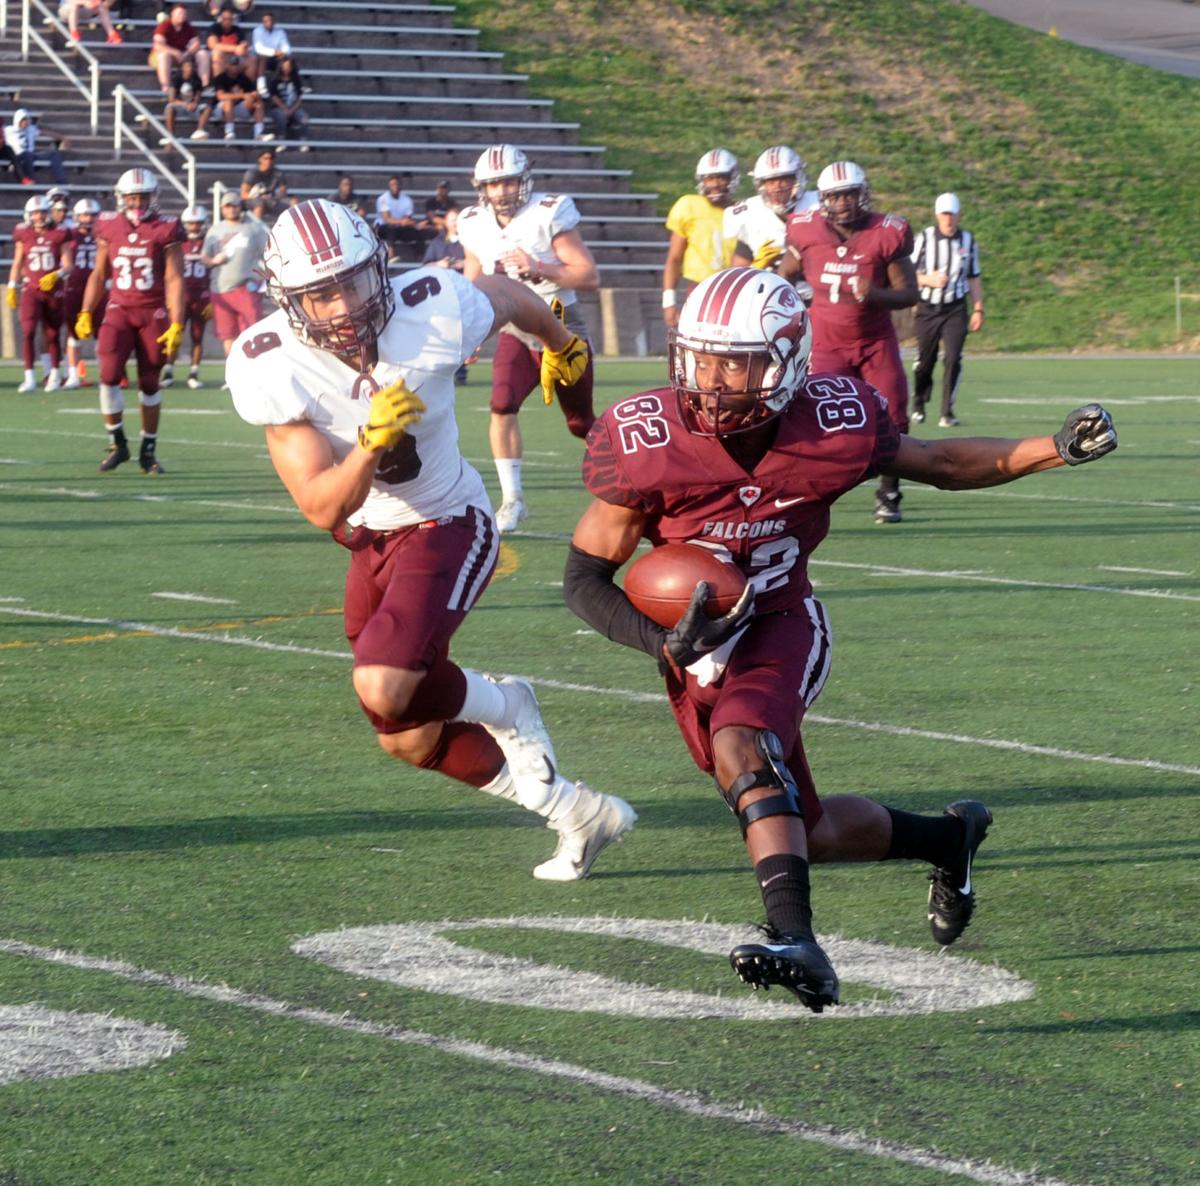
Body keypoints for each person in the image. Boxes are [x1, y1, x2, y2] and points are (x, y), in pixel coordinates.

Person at [564, 265, 1118, 1009]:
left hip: (781, 620)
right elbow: (584, 577)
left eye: (737, 361)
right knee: (807, 830)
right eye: (702, 357)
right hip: (694, 650)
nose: (714, 379)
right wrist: (660, 643)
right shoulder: (648, 441)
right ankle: (949, 840)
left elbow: (944, 463)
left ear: (788, 360)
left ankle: (795, 938)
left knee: (743, 745)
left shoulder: (836, 422)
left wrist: (1054, 447)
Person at [225, 198, 635, 880]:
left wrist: (561, 347)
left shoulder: (433, 303)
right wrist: (367, 444)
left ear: (379, 269)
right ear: (288, 299)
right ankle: (574, 810)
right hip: (369, 539)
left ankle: (507, 703)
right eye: (320, 294)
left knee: (385, 685)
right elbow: (321, 505)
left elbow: (508, 297)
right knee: (408, 737)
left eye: (353, 283)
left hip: (448, 520)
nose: (343, 307)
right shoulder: (270, 361)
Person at [458, 144, 600, 533]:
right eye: (493, 184)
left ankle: (630, 482)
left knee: (580, 422)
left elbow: (588, 276)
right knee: (501, 405)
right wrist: (469, 331)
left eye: (507, 182)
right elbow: (473, 275)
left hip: (559, 325)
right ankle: (513, 500)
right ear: (480, 188)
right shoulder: (472, 221)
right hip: (513, 327)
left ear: (523, 181)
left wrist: (539, 267)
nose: (501, 191)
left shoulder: (548, 212)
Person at [780, 160, 918, 524]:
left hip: (875, 341)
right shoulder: (805, 230)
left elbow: (908, 294)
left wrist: (874, 293)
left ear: (864, 194)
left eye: (850, 194)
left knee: (893, 413)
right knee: (815, 416)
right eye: (836, 196)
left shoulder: (887, 232)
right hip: (826, 341)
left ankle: (889, 492)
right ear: (824, 199)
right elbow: (785, 276)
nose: (844, 203)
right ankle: (811, 492)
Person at [74, 168, 185, 474]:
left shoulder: (167, 227)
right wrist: (86, 310)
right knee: (108, 374)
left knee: (149, 382)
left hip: (152, 311)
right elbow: (99, 274)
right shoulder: (108, 226)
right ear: (122, 198)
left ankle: (148, 452)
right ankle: (118, 443)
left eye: (143, 197)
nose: (137, 203)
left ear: (153, 197)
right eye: (132, 197)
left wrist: (177, 321)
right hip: (118, 308)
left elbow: (174, 278)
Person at [910, 192, 984, 428]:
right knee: (925, 362)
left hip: (955, 308)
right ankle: (919, 402)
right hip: (927, 307)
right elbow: (906, 273)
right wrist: (928, 280)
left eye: (952, 214)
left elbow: (973, 276)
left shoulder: (968, 241)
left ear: (959, 214)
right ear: (937, 215)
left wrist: (978, 308)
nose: (948, 219)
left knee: (953, 358)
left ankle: (947, 412)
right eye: (944, 214)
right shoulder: (924, 239)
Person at [661, 148, 739, 330]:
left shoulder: (743, 210)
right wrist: (668, 301)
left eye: (721, 177)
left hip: (736, 290)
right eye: (709, 178)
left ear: (732, 178)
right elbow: (674, 258)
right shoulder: (689, 205)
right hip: (700, 288)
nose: (715, 184)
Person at [6, 195, 72, 393]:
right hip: (31, 289)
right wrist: (11, 284)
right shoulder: (22, 232)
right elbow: (18, 262)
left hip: (54, 291)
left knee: (52, 334)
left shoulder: (60, 232)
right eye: (36, 213)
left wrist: (57, 274)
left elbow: (69, 265)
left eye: (43, 212)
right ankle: (29, 377)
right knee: (28, 331)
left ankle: (53, 374)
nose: (39, 216)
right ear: (29, 214)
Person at [727, 146, 817, 274]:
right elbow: (737, 273)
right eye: (770, 182)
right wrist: (755, 267)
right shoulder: (750, 214)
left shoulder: (818, 207)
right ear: (761, 185)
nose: (777, 188)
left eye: (783, 180)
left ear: (797, 178)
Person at [202, 192, 269, 363]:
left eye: (235, 205)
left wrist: (265, 279)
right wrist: (212, 260)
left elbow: (268, 254)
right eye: (228, 206)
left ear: (241, 207)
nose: (232, 209)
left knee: (252, 332)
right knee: (228, 335)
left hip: (246, 287)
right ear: (222, 209)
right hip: (220, 290)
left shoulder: (253, 229)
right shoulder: (216, 230)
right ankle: (233, 373)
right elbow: (205, 259)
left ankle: (254, 370)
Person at [62, 196, 103, 389]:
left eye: (92, 215)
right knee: (73, 334)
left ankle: (106, 372)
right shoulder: (67, 235)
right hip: (74, 288)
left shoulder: (104, 235)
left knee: (102, 333)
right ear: (77, 216)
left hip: (98, 288)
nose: (88, 219)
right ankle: (73, 375)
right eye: (85, 215)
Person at [422, 206, 468, 382]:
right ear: (446, 223)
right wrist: (440, 264)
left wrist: (462, 263)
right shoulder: (438, 243)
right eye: (452, 219)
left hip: (462, 291)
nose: (455, 223)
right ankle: (445, 369)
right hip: (441, 294)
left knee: (462, 333)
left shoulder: (468, 242)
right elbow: (425, 266)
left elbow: (478, 263)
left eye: (457, 219)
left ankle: (461, 371)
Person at [176, 204, 211, 390]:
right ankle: (168, 370)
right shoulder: (178, 242)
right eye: (190, 224)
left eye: (197, 224)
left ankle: (193, 372)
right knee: (174, 334)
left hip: (201, 297)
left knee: (197, 336)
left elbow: (216, 271)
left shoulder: (209, 242)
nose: (194, 227)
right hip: (181, 296)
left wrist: (212, 297)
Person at [150, 4, 209, 92]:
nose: (182, 15)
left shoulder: (187, 26)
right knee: (164, 56)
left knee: (203, 54)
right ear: (172, 14)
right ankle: (165, 86)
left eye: (184, 13)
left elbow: (196, 43)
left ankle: (203, 84)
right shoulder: (164, 25)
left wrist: (187, 52)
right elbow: (158, 45)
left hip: (182, 56)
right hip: (160, 56)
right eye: (180, 13)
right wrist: (175, 52)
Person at [3, 108, 69, 186]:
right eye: (23, 120)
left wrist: (64, 139)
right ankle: (31, 182)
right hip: (18, 157)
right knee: (26, 154)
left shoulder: (31, 129)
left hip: (31, 156)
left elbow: (46, 133)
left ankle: (62, 182)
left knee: (54, 154)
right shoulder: (8, 130)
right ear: (18, 120)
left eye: (27, 119)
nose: (26, 122)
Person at [210, 54, 264, 141]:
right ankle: (229, 132)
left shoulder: (244, 78)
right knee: (228, 101)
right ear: (227, 65)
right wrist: (242, 95)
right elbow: (221, 96)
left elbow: (253, 91)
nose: (234, 67)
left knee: (258, 104)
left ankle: (259, 133)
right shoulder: (220, 78)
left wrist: (253, 96)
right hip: (221, 109)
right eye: (232, 65)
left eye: (236, 65)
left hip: (239, 108)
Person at [373, 175, 424, 263]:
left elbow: (407, 219)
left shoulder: (407, 200)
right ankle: (390, 256)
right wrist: (401, 222)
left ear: (400, 185)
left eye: (396, 184)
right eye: (392, 184)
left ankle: (420, 257)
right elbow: (386, 219)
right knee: (390, 228)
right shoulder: (383, 199)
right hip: (383, 227)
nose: (395, 186)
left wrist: (406, 223)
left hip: (400, 228)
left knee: (419, 232)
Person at [162, 57, 212, 142]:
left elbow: (198, 96)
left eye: (192, 66)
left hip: (191, 107)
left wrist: (195, 103)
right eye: (188, 66)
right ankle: (170, 136)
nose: (190, 69)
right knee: (169, 109)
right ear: (183, 67)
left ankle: (199, 130)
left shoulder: (197, 79)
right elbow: (171, 99)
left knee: (207, 108)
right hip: (179, 105)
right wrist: (185, 104)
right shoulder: (176, 78)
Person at [264, 55, 308, 148]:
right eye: (285, 66)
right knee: (282, 115)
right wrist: (284, 108)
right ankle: (281, 140)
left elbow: (300, 96)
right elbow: (273, 96)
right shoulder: (275, 80)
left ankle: (304, 141)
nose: (286, 69)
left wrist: (292, 109)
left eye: (289, 66)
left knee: (304, 117)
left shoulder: (296, 80)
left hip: (294, 107)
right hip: (278, 108)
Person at [240, 145, 287, 218]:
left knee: (291, 204)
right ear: (260, 159)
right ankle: (257, 228)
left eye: (271, 158)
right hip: (252, 199)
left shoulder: (278, 173)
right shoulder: (252, 173)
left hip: (271, 199)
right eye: (266, 158)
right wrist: (259, 196)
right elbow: (243, 195)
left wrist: (274, 196)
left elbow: (283, 192)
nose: (269, 161)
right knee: (259, 204)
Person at [251, 11, 290, 96]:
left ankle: (285, 85)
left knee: (287, 61)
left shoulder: (280, 31)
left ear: (274, 21)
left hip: (276, 57)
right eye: (266, 21)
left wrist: (283, 53)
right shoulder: (257, 31)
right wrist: (275, 52)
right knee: (263, 58)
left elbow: (287, 47)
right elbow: (259, 49)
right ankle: (261, 87)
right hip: (260, 57)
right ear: (263, 22)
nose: (268, 22)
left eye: (270, 20)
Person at [206, 5, 251, 80]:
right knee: (218, 54)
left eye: (229, 19)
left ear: (233, 20)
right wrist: (235, 48)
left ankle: (249, 86)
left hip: (234, 57)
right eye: (224, 19)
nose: (227, 21)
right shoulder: (214, 28)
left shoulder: (238, 30)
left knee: (252, 59)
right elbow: (213, 45)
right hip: (220, 57)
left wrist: (244, 46)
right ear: (221, 19)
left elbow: (243, 44)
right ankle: (219, 85)